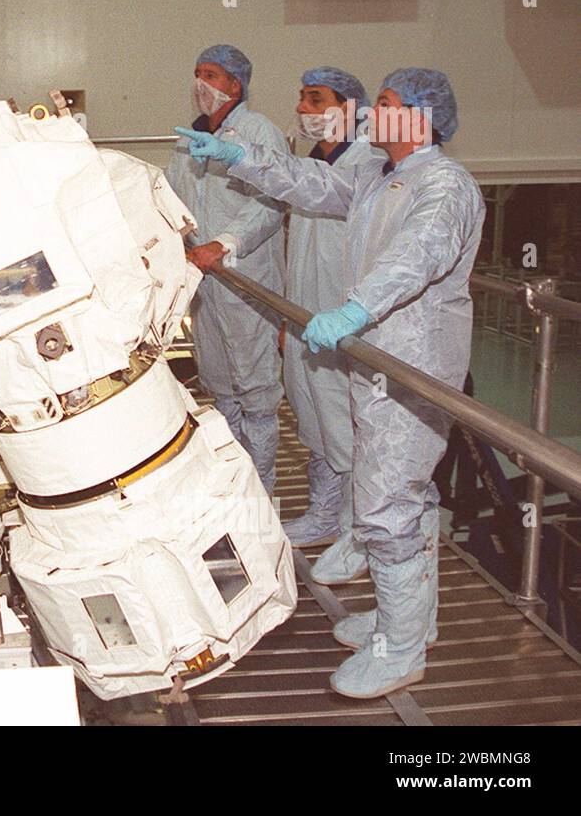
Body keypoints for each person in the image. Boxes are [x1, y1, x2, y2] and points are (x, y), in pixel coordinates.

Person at [176, 68, 485, 700]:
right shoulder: (379, 173)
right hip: (379, 357)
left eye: (390, 105)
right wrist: (241, 156)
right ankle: (411, 622)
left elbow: (417, 258)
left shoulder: (445, 186)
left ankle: (399, 651)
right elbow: (313, 185)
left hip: (412, 364)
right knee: (405, 494)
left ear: (421, 119)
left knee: (384, 501)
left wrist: (354, 309)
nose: (374, 113)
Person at [165, 45, 287, 494]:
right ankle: (235, 485)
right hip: (204, 282)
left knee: (255, 392)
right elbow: (171, 197)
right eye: (197, 73)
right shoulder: (189, 137)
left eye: (212, 74)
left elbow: (271, 200)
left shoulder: (259, 133)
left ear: (236, 85)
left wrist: (223, 243)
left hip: (245, 279)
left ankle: (262, 495)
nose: (201, 83)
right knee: (219, 385)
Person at [280, 68, 375, 548]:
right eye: (301, 98)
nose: (303, 109)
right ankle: (324, 514)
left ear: (349, 109)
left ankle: (354, 526)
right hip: (304, 318)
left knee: (343, 424)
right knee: (313, 419)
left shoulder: (368, 166)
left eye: (315, 100)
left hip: (343, 322)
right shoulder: (308, 166)